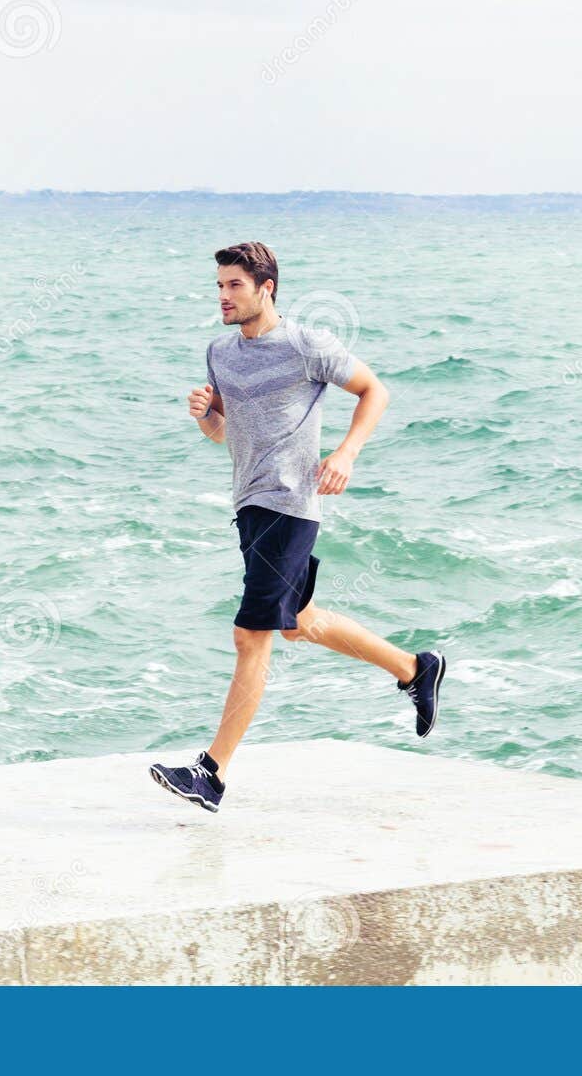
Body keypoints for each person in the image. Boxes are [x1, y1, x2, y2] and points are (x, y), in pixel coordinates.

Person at [149, 241, 446, 813]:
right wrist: (206, 415)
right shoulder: (221, 353)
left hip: (292, 503)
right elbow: (225, 434)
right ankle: (414, 668)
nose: (223, 296)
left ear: (267, 288)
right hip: (250, 506)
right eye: (218, 285)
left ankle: (211, 774)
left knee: (250, 636)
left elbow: (374, 390)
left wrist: (346, 454)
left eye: (234, 285)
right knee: (297, 623)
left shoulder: (307, 344)